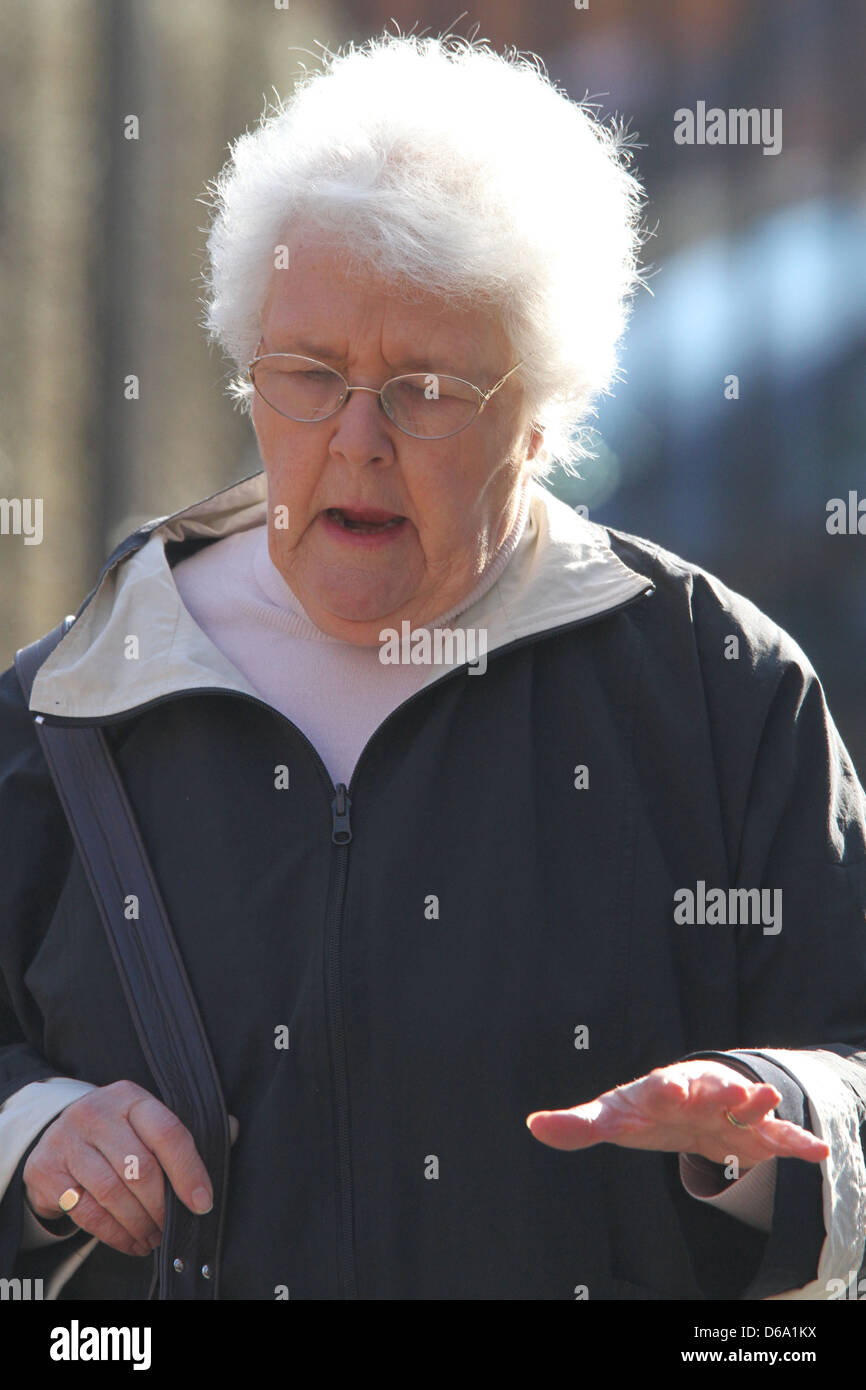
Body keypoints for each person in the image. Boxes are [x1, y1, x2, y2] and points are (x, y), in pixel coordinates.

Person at [1, 31, 864, 1302]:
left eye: (425, 389)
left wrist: (775, 1117)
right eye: (308, 375)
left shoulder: (722, 691)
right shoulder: (73, 704)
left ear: (543, 411)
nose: (355, 440)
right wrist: (34, 1133)